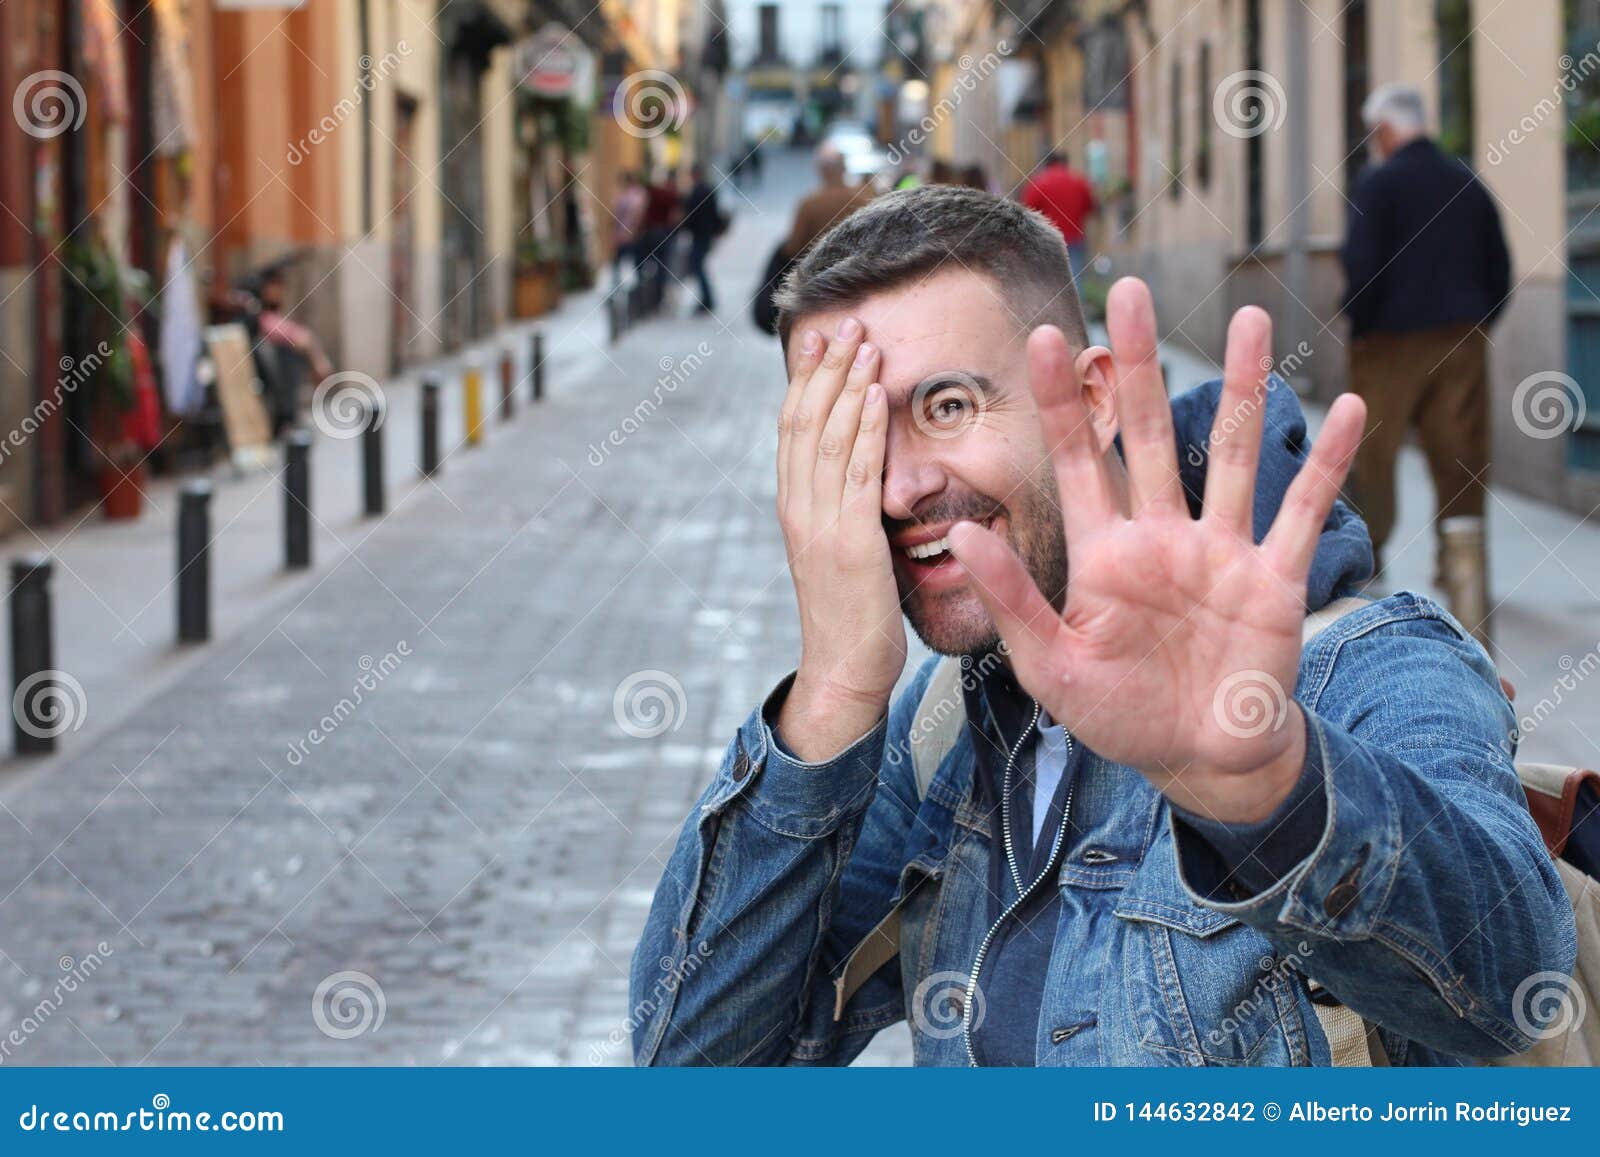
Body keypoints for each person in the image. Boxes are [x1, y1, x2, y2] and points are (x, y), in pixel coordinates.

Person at [630, 184, 1574, 1066]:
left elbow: (1512, 982)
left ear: (1090, 397)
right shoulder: (941, 728)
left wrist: (1263, 786)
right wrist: (832, 694)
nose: (901, 485)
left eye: (948, 406)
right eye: (859, 438)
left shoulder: (1368, 663)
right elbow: (694, 1074)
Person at [1340, 83, 1511, 588]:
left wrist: (1361, 323)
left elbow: (1361, 264)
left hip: (1390, 341)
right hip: (1462, 336)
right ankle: (1460, 563)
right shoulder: (1467, 181)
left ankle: (1367, 561)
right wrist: (1479, 322)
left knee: (1372, 452)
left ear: (1385, 131)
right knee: (1461, 455)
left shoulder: (1378, 183)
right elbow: (1499, 267)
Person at [780, 143, 875, 260]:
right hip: (854, 270)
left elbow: (793, 248)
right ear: (844, 167)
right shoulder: (863, 199)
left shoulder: (809, 204)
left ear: (821, 170)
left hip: (816, 272)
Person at [1020, 151, 1097, 279]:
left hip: (1047, 239)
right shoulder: (1079, 181)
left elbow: (1027, 211)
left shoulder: (1039, 183)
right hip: (1074, 237)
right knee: (1075, 277)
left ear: (1047, 164)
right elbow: (1090, 207)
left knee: (1049, 280)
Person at [680, 165, 724, 315]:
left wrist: (683, 226)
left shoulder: (698, 191)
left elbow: (693, 214)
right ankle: (707, 299)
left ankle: (708, 300)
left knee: (697, 266)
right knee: (699, 266)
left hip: (701, 234)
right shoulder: (707, 189)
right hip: (705, 234)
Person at [639, 169, 682, 314]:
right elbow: (676, 216)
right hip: (663, 233)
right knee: (663, 267)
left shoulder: (652, 193)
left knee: (651, 266)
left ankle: (651, 297)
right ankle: (657, 297)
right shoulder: (671, 195)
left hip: (652, 233)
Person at [610, 171, 647, 285]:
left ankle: (637, 289)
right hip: (622, 235)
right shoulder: (622, 195)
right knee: (618, 264)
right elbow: (615, 216)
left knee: (636, 263)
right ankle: (618, 289)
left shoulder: (637, 195)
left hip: (632, 235)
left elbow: (637, 215)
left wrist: (632, 232)